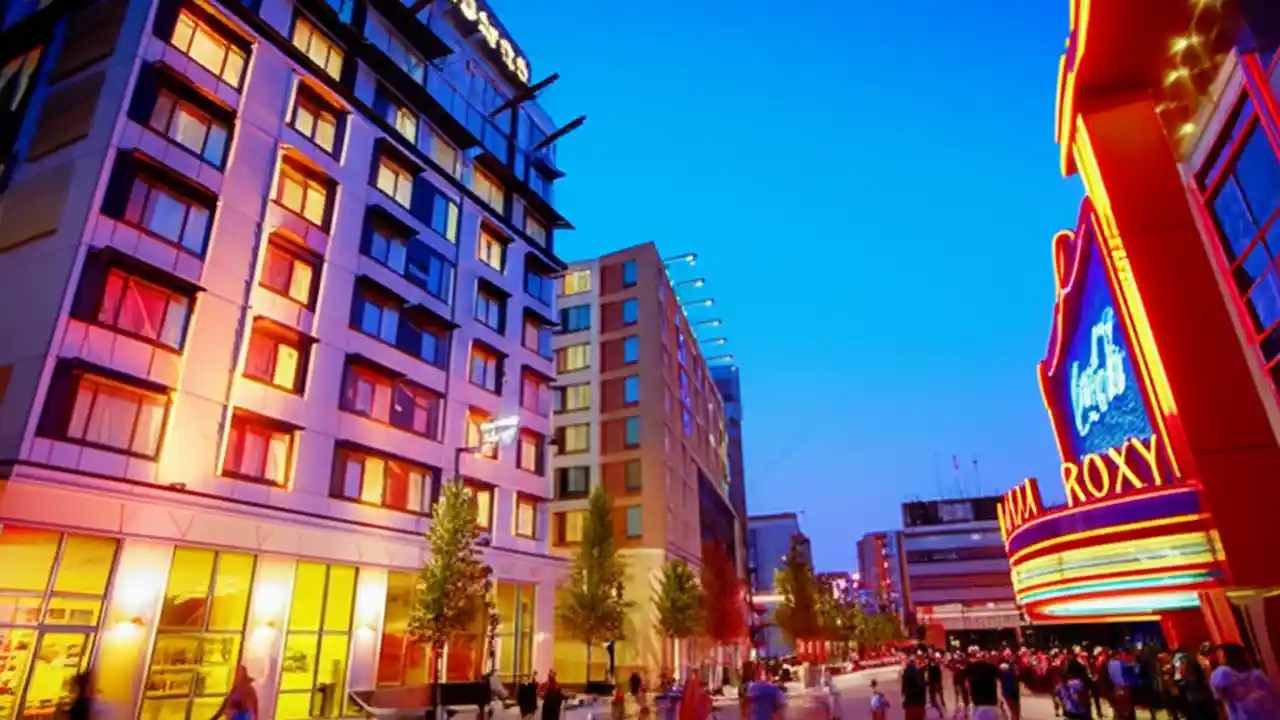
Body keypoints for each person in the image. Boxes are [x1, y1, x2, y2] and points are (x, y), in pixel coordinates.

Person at [1211, 643, 1280, 720]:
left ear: (1232, 657)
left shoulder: (1256, 675)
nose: (1220, 662)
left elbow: (1272, 699)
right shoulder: (1226, 678)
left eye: (1222, 657)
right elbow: (1220, 695)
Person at [966, 653, 1000, 720]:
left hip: (977, 701)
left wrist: (969, 695)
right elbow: (1000, 678)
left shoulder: (971, 668)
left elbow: (966, 684)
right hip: (990, 702)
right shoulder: (991, 667)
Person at [903, 656, 929, 720]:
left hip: (909, 705)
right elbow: (924, 688)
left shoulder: (906, 674)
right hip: (919, 705)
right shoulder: (920, 673)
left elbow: (903, 690)